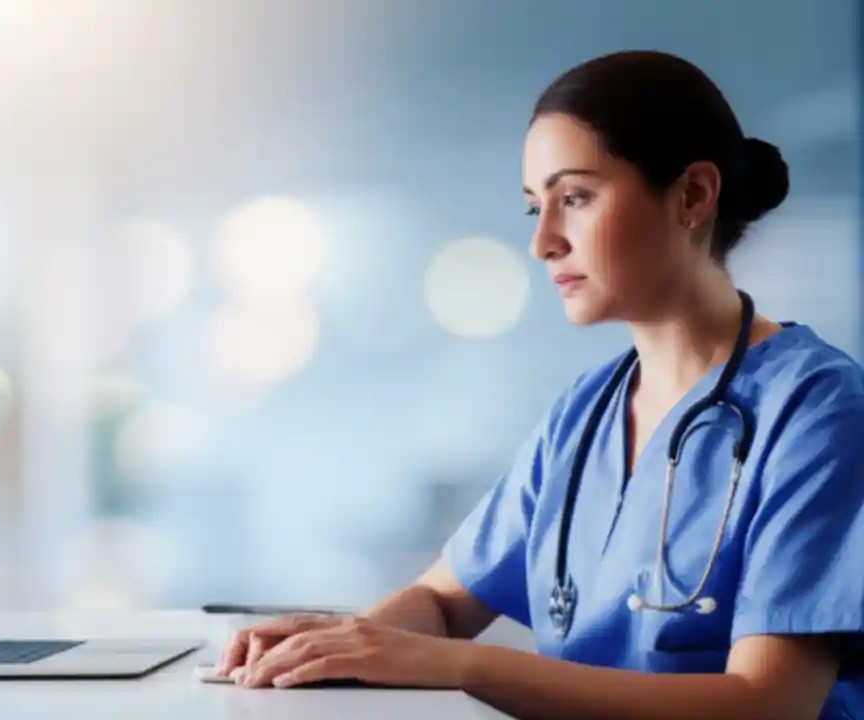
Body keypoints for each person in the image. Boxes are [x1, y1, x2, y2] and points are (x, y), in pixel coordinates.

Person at [215, 50, 864, 720]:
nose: (545, 243)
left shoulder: (817, 408)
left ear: (693, 196)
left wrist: (462, 664)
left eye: (575, 198)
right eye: (536, 209)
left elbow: (768, 704)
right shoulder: (586, 415)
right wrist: (341, 645)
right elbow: (442, 604)